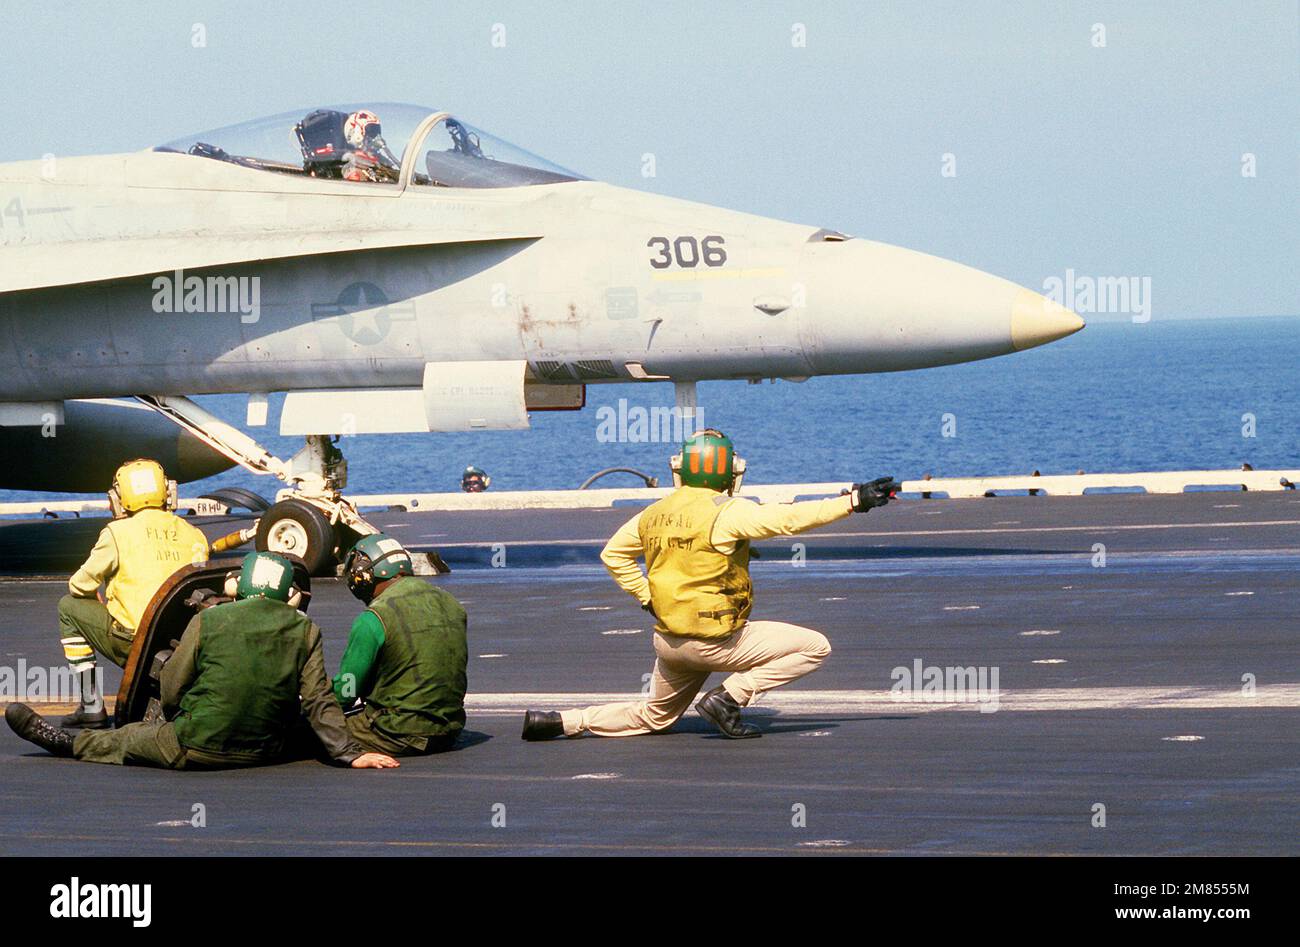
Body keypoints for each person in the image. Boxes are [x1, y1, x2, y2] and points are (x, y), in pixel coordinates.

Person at [521, 428, 897, 741]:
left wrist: (644, 595)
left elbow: (613, 554)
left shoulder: (653, 513)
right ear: (729, 473)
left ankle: (560, 721)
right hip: (717, 642)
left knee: (654, 717)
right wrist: (854, 501)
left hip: (670, 643)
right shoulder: (728, 511)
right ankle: (729, 697)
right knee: (816, 647)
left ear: (680, 470)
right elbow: (789, 520)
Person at [7, 551, 398, 771]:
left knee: (123, 739)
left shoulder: (208, 618)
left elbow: (173, 682)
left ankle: (66, 745)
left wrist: (176, 719)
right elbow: (317, 700)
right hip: (265, 750)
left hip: (197, 748)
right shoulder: (305, 629)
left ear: (240, 586)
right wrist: (349, 752)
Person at [58, 459, 209, 729]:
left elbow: (78, 586)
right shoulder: (194, 534)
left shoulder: (117, 532)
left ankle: (91, 705)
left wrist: (98, 596)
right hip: (183, 647)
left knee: (68, 607)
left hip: (136, 645)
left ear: (119, 497)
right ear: (168, 492)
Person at [333, 534, 468, 756]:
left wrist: (315, 707)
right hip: (448, 730)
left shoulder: (373, 617)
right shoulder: (451, 604)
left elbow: (347, 691)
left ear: (367, 574)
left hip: (396, 732)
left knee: (308, 732)